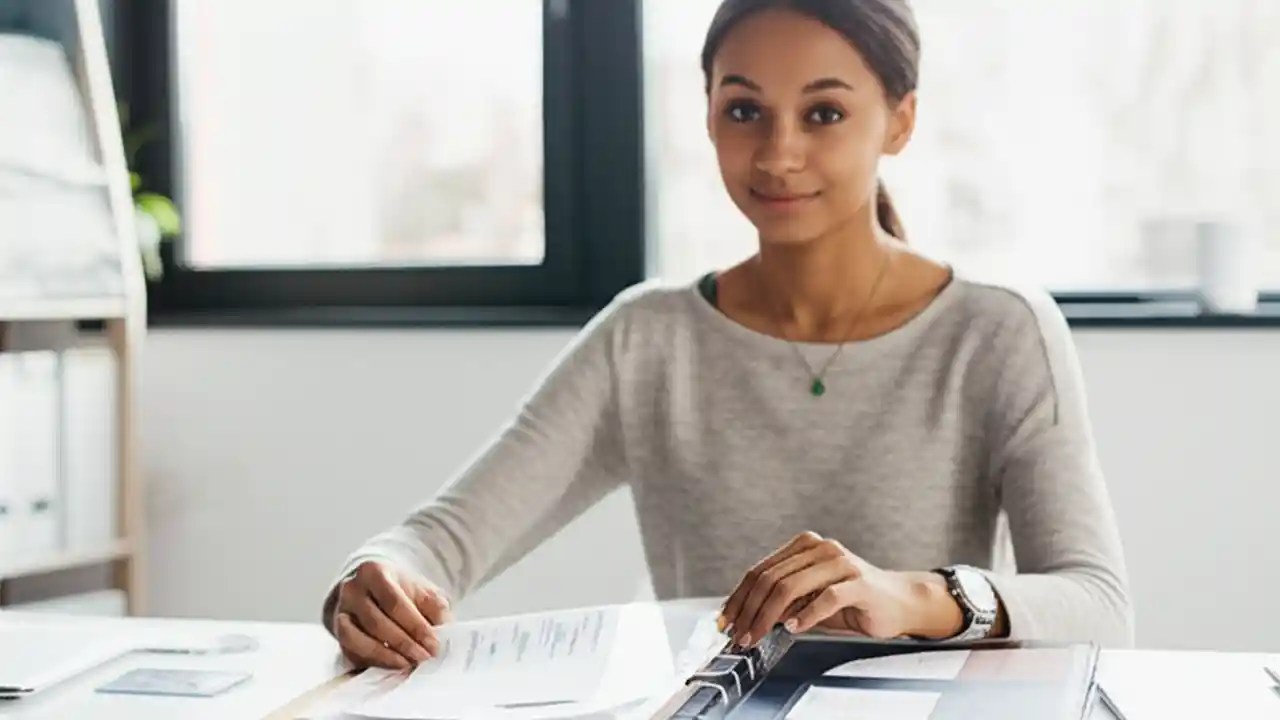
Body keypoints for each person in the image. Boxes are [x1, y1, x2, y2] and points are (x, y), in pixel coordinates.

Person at [323, 0, 1133, 670]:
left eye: (824, 113)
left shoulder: (997, 331)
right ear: (707, 113)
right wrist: (377, 578)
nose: (779, 153)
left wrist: (912, 597)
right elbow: (441, 539)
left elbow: (1098, 605)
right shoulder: (648, 338)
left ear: (900, 122)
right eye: (745, 109)